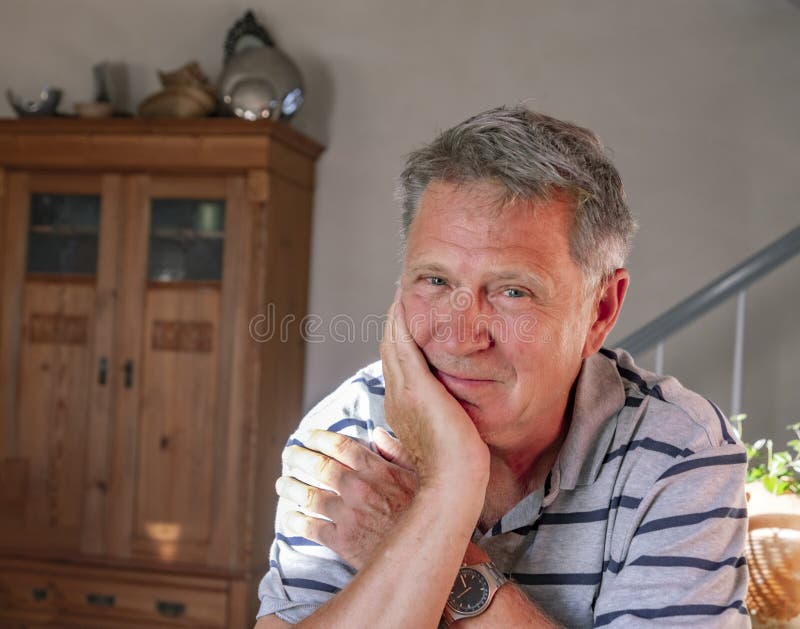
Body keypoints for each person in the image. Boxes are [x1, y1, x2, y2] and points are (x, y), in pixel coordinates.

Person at [254, 106, 750, 627]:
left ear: (599, 311)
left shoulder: (678, 452)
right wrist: (453, 487)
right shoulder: (348, 431)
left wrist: (428, 521)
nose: (462, 337)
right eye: (435, 281)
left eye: (513, 291)